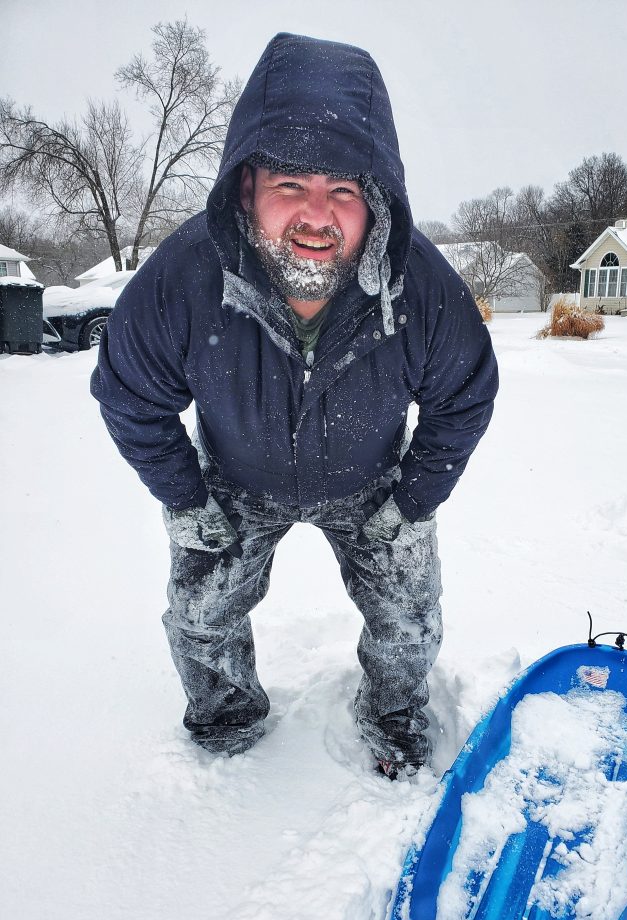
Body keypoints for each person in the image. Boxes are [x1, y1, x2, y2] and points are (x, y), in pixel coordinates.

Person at [90, 33, 498, 775]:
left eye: (342, 190)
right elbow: (129, 394)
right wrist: (186, 498)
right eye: (289, 185)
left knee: (407, 620)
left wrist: (413, 503)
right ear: (246, 186)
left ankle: (395, 714)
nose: (317, 214)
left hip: (372, 483)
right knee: (200, 617)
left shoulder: (425, 289)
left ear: (375, 203)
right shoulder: (182, 278)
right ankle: (226, 721)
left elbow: (464, 399)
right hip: (235, 485)